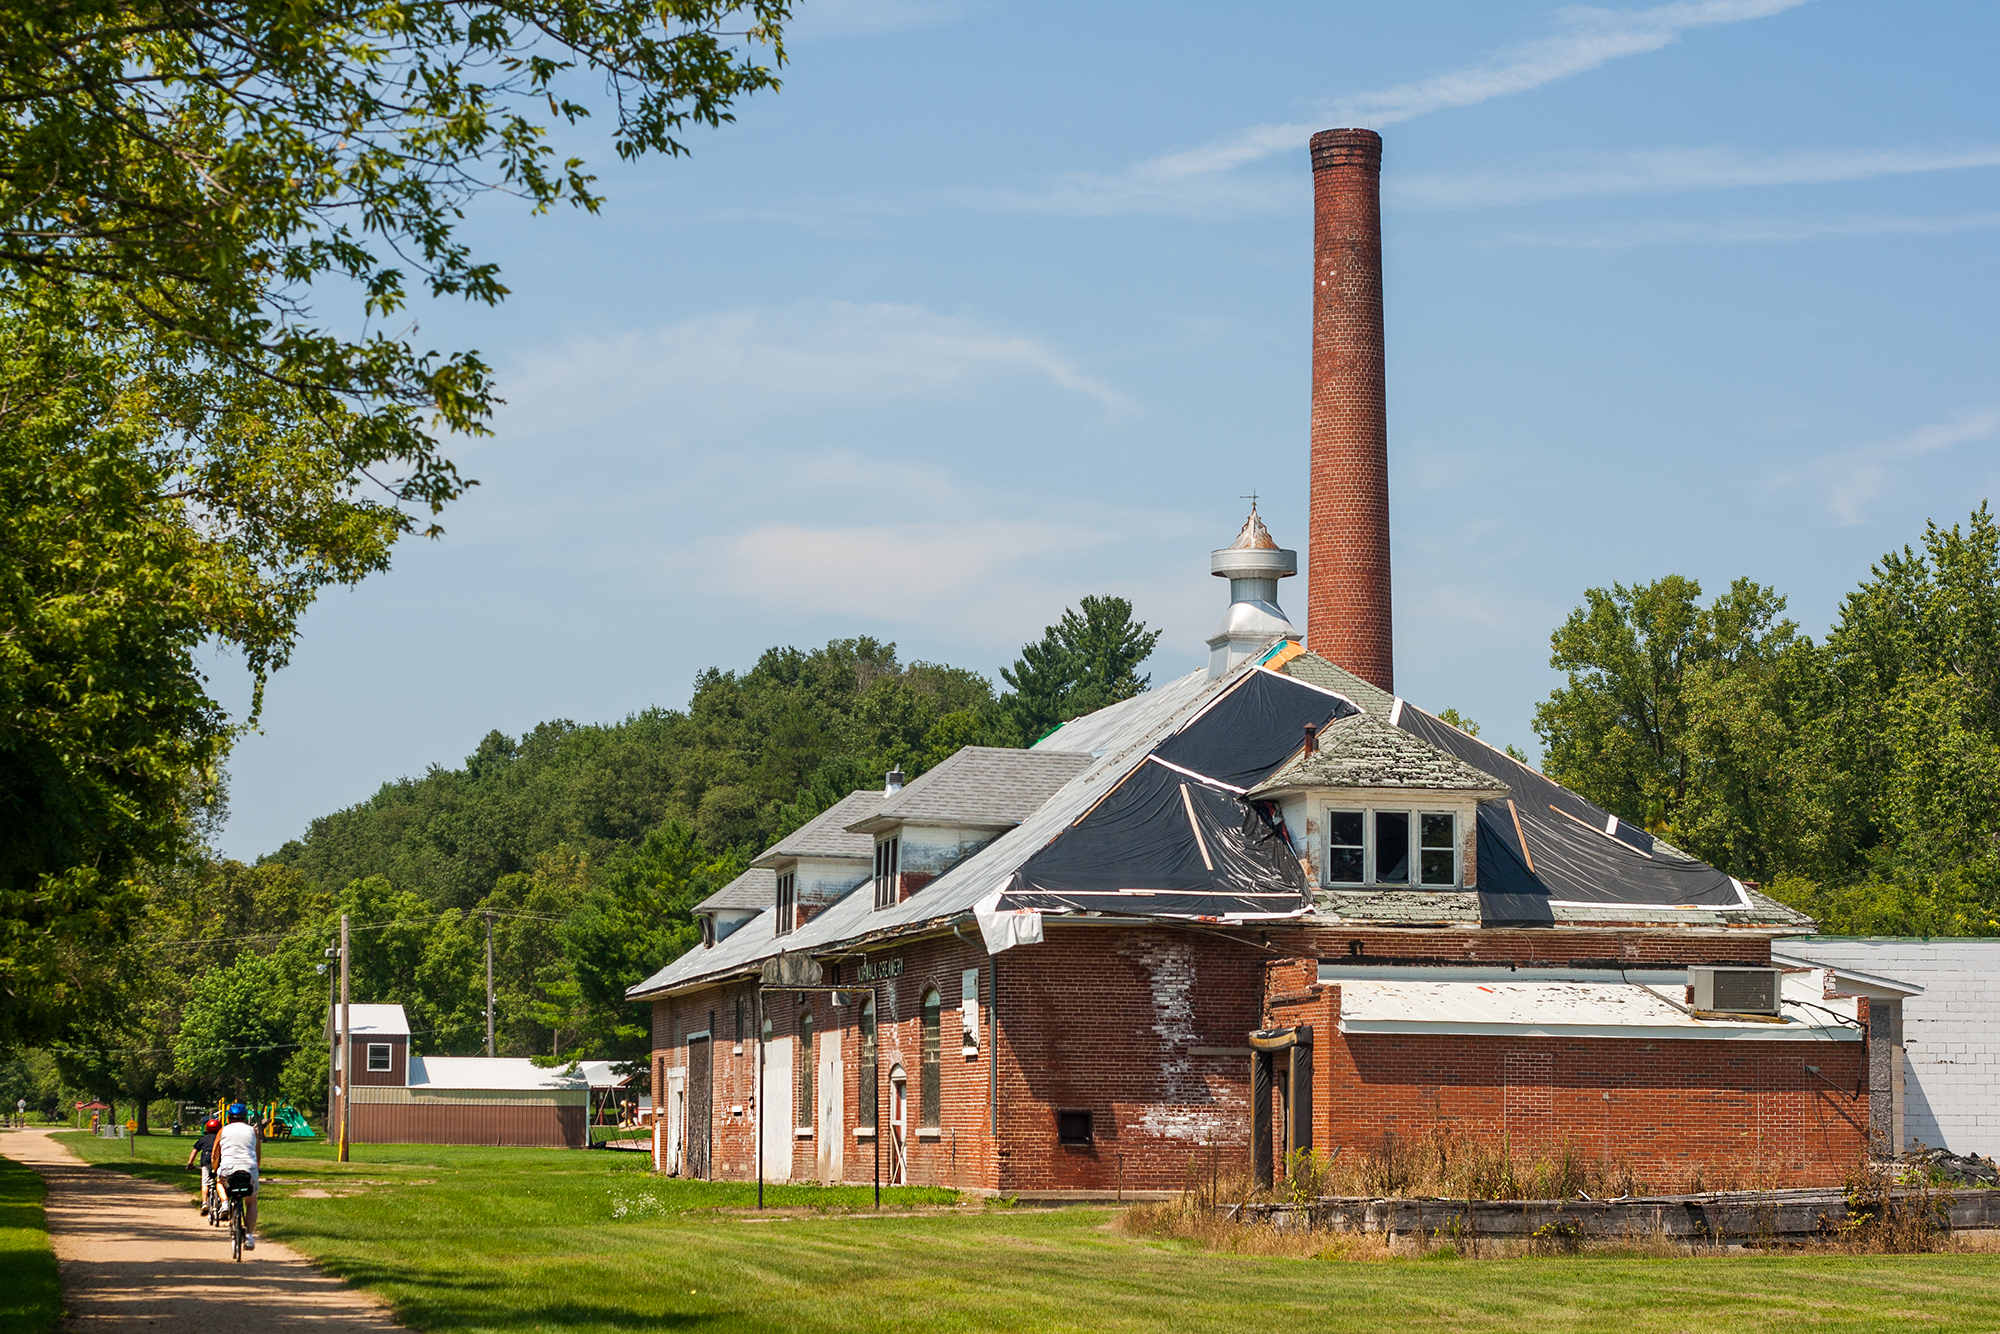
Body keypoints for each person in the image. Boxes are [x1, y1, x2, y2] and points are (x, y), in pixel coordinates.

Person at [211, 1103, 261, 1250]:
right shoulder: (253, 1131)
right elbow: (257, 1154)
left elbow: (215, 1153)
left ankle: (225, 1203)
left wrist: (215, 1169)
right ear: (245, 1118)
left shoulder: (223, 1130)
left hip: (228, 1167)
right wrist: (256, 1169)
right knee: (251, 1202)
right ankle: (250, 1236)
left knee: (219, 1182)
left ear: (228, 1117)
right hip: (249, 1168)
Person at [186, 1117, 223, 1215]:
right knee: (221, 1181)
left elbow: (194, 1151)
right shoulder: (222, 1138)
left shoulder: (203, 1139)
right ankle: (223, 1202)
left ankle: (204, 1203)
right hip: (219, 1160)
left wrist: (190, 1164)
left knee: (205, 1182)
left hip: (206, 1161)